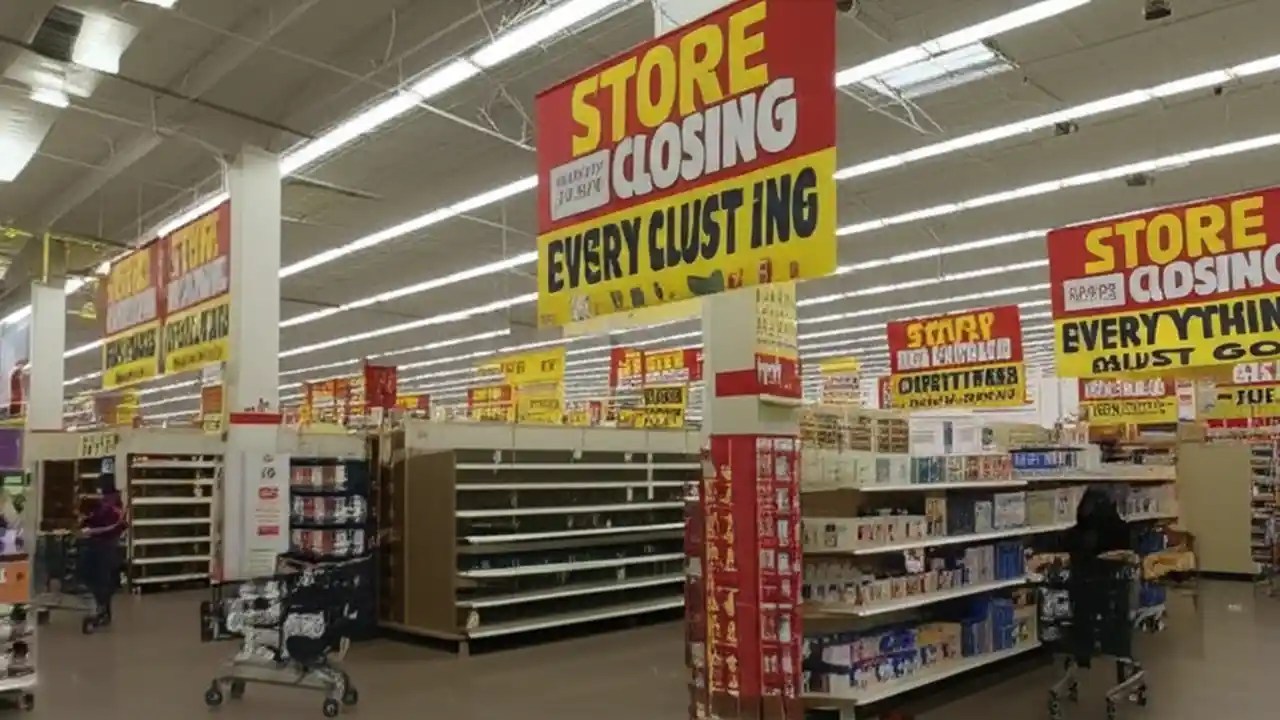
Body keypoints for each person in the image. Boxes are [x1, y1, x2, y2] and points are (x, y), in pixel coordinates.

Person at [1064, 485, 1132, 668]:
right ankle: (1120, 652)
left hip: (1083, 595)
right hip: (1113, 594)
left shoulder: (1077, 535)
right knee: (1118, 616)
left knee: (1082, 615)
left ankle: (1083, 655)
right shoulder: (1122, 531)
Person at [80, 473, 126, 626]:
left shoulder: (114, 509)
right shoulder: (107, 506)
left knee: (101, 581)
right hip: (99, 547)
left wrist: (90, 530)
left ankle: (102, 611)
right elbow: (95, 519)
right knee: (99, 581)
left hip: (106, 548)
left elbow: (113, 526)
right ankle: (103, 610)